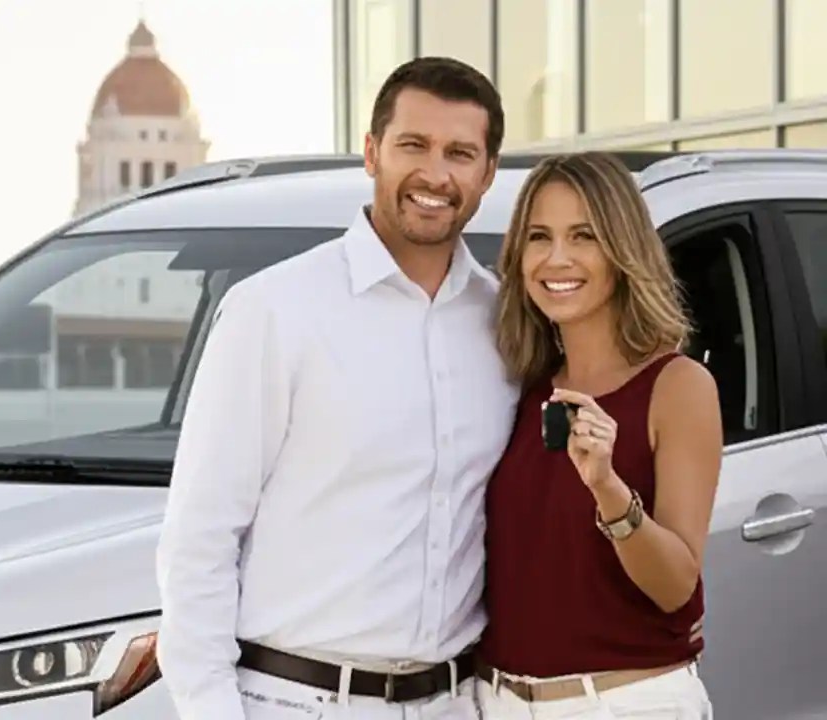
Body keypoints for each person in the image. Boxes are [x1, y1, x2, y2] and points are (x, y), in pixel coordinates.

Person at [155, 56, 520, 719]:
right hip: (302, 702)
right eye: (414, 145)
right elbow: (200, 539)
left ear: (488, 173)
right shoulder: (274, 309)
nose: (436, 174)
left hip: (459, 703)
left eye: (460, 152)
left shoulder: (505, 324)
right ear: (373, 152)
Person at [474, 152, 721, 718]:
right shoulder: (518, 386)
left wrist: (608, 488)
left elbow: (676, 586)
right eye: (539, 236)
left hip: (622, 703)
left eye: (583, 235)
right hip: (495, 702)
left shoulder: (676, 387)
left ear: (621, 248)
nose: (556, 258)